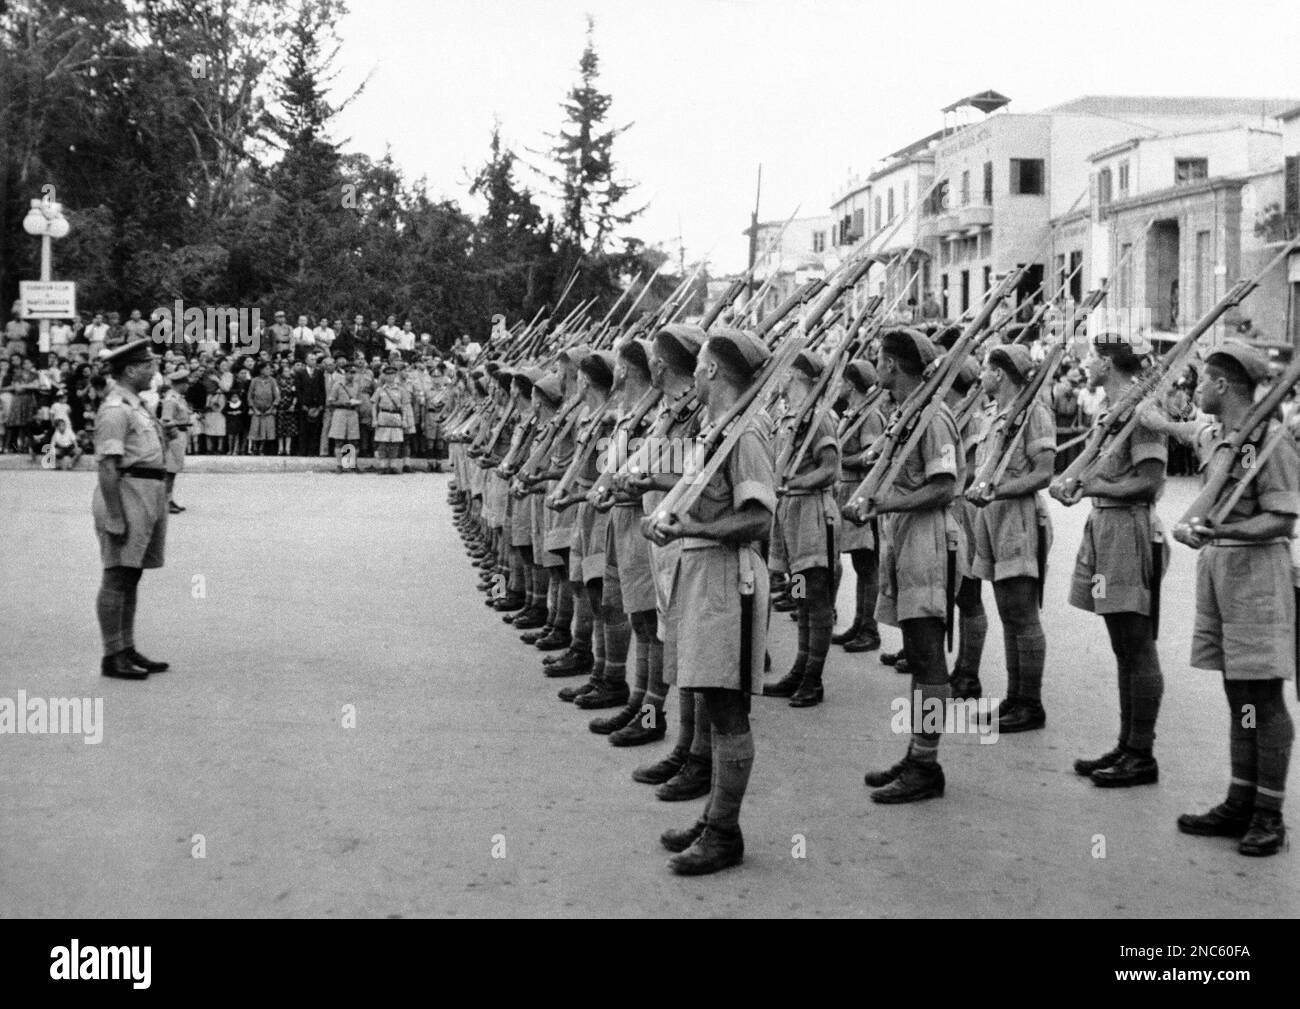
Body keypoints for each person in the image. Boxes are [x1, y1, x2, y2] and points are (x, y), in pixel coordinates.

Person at [1159, 343, 1296, 855]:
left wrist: (1217, 530)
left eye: (1201, 382)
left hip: (1257, 573)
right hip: (1221, 570)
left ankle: (1269, 813)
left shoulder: (1271, 443)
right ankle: (1240, 799)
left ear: (1221, 386)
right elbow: (1182, 430)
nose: (1194, 390)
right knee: (1238, 695)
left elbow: (1283, 518)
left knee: (1263, 698)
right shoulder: (1224, 439)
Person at [647, 328, 775, 875]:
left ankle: (725, 831)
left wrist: (691, 530)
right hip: (701, 571)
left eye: (700, 365)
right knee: (706, 694)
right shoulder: (717, 430)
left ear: (716, 372)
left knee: (727, 708)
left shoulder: (748, 434)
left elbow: (759, 516)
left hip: (729, 577)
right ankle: (715, 814)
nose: (694, 373)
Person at [845, 328, 961, 803]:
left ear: (892, 365)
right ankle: (917, 753)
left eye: (880, 358)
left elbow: (945, 485)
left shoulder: (933, 416)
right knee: (918, 653)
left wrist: (887, 500)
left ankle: (927, 765)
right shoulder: (907, 414)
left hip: (929, 537)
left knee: (930, 658)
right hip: (906, 534)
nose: (876, 365)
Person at [1055, 332, 1166, 788]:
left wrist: (1093, 487)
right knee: (1121, 642)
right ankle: (1126, 744)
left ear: (1107, 362)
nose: (1086, 363)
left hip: (1129, 529)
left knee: (1137, 643)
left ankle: (1142, 752)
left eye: (1093, 357)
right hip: (1104, 528)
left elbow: (1150, 483)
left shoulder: (1142, 414)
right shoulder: (1110, 412)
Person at [964, 344, 1055, 729]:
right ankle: (1014, 698)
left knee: (1022, 613)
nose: (981, 376)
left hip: (1017, 516)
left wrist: (998, 491)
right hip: (993, 516)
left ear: (999, 374)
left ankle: (1030, 704)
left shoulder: (1034, 413)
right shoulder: (997, 414)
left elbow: (1044, 473)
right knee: (1007, 613)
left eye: (985, 369)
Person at [763, 349, 841, 707]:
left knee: (816, 597)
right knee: (802, 597)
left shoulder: (818, 418)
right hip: (790, 516)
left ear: (794, 375)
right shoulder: (789, 417)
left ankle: (813, 677)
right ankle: (799, 667)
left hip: (813, 514)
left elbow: (830, 469)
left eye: (782, 373)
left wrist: (793, 483)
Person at [92, 340, 171, 680]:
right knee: (117, 574)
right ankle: (112, 655)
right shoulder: (115, 409)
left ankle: (126, 646)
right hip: (127, 493)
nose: (154, 371)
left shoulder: (136, 405)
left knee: (132, 573)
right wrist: (114, 514)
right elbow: (107, 467)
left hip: (147, 492)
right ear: (131, 370)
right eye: (149, 365)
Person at [832, 361, 888, 653]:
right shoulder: (852, 413)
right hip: (848, 490)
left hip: (861, 492)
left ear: (850, 385)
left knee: (868, 565)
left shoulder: (869, 416)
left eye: (842, 381)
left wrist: (837, 462)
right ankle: (859, 621)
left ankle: (870, 628)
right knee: (859, 562)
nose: (838, 386)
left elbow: (870, 458)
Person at [160, 370, 192, 513]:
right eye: (186, 383)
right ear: (181, 384)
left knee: (173, 470)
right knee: (170, 471)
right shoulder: (171, 399)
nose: (188, 386)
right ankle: (166, 501)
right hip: (174, 435)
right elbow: (166, 419)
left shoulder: (179, 398)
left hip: (181, 434)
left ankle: (169, 499)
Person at [372, 365, 405, 473]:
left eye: (392, 374)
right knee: (383, 441)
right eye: (387, 375)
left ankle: (393, 465)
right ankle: (383, 465)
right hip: (383, 415)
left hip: (395, 416)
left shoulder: (400, 389)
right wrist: (374, 419)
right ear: (384, 376)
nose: (390, 377)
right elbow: (374, 405)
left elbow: (404, 406)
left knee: (395, 442)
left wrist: (404, 420)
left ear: (395, 376)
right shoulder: (380, 389)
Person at [297, 351, 327, 456]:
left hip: (316, 405)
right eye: (311, 359)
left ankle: (312, 451)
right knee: (303, 429)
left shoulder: (319, 373)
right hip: (304, 405)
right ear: (306, 361)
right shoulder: (300, 373)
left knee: (315, 430)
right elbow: (298, 390)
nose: (313, 361)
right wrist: (302, 404)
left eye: (314, 359)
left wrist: (320, 405)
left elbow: (322, 390)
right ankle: (302, 451)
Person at [248, 360, 279, 455]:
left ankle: (261, 448)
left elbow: (277, 395)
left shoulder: (272, 381)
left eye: (270, 368)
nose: (269, 370)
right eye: (267, 368)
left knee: (265, 430)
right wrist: (254, 408)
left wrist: (272, 407)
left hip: (268, 409)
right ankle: (253, 448)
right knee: (255, 428)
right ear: (261, 370)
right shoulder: (254, 381)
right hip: (256, 409)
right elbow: (250, 396)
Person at [275, 360, 298, 456]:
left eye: (289, 371)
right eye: (285, 371)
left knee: (289, 428)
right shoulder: (277, 381)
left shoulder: (293, 381)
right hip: (280, 405)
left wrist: (293, 405)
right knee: (280, 428)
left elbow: (296, 394)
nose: (287, 373)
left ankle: (288, 448)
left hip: (290, 405)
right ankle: (280, 448)